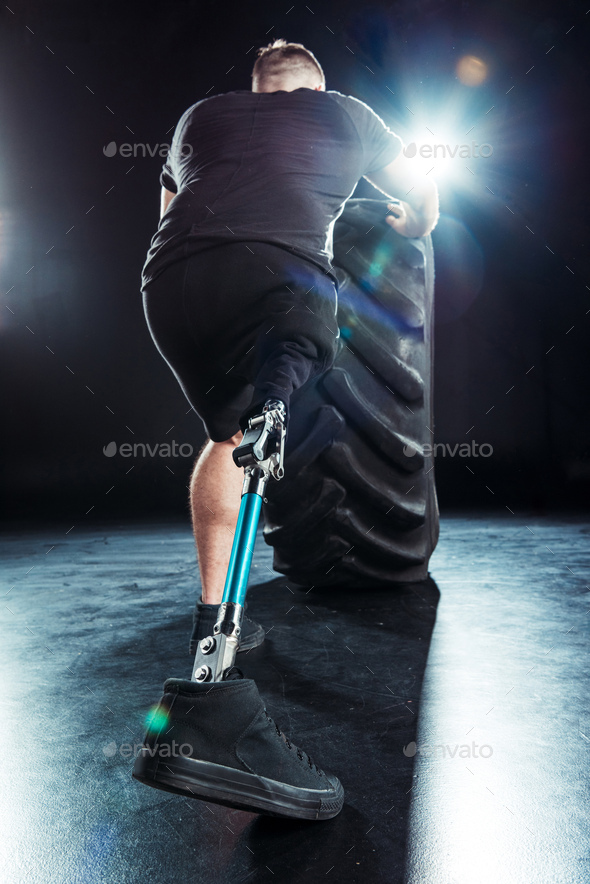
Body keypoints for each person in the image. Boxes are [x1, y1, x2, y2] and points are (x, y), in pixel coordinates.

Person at [133, 39, 439, 820]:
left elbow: (168, 206)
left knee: (229, 438)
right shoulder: (345, 112)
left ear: (256, 83)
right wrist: (414, 217)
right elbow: (421, 197)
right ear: (316, 84)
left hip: (169, 282)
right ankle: (211, 704)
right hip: (279, 277)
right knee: (273, 416)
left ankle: (214, 629)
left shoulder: (201, 116)